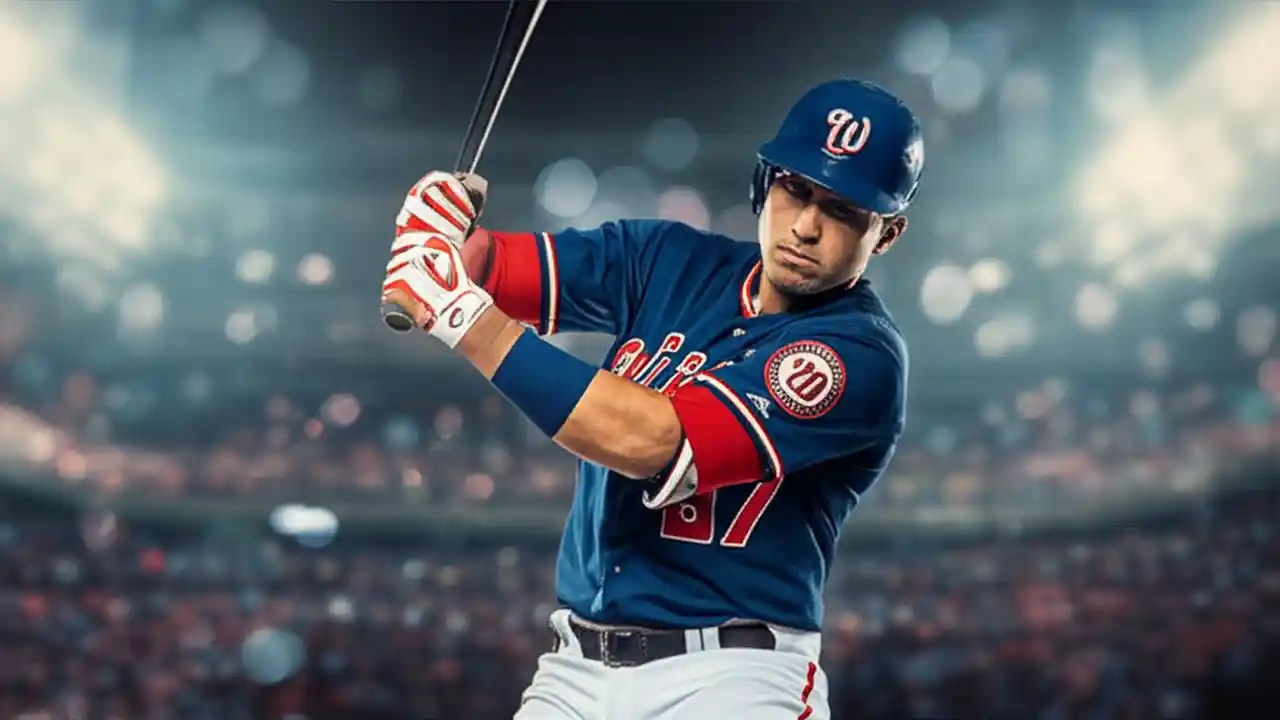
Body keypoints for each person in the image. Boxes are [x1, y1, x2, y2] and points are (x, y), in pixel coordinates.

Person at [380, 78, 925, 719]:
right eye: (796, 189)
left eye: (842, 210)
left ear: (884, 234)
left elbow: (649, 442)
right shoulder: (668, 259)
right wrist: (430, 230)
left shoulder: (857, 353)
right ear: (763, 182)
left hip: (734, 677)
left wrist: (461, 314)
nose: (806, 226)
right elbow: (483, 269)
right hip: (575, 668)